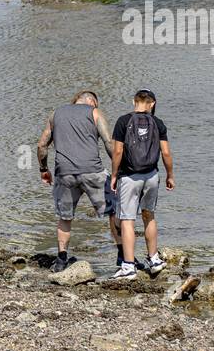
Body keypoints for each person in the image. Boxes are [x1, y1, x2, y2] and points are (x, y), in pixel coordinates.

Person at [37, 91, 119, 273]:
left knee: (65, 217)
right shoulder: (94, 113)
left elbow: (42, 145)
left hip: (64, 173)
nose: (96, 107)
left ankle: (61, 259)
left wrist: (44, 170)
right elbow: (108, 142)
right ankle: (123, 256)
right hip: (93, 171)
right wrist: (117, 170)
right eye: (96, 104)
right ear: (91, 101)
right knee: (114, 209)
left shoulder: (55, 113)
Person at [109, 89, 173, 281]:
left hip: (129, 176)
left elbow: (118, 151)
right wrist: (170, 175)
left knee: (127, 219)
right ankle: (154, 260)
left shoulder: (122, 121)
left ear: (134, 101)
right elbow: (166, 153)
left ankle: (128, 266)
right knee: (148, 215)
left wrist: (113, 175)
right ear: (152, 104)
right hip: (152, 175)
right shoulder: (158, 123)